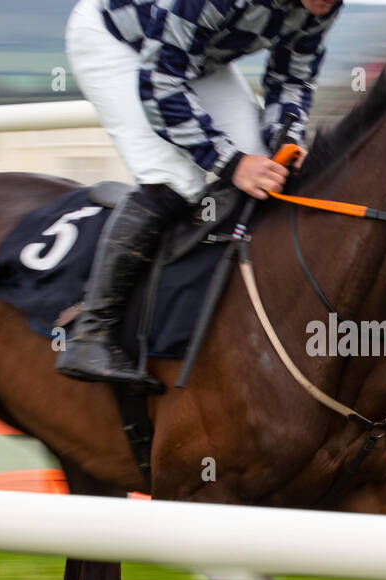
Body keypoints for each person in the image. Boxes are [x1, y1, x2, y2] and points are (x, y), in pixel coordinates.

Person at [60, 0, 342, 385]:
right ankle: (90, 332)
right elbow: (159, 83)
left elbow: (292, 75)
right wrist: (230, 163)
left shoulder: (324, 5)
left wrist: (285, 138)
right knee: (177, 183)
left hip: (193, 54)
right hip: (118, 42)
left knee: (267, 171)